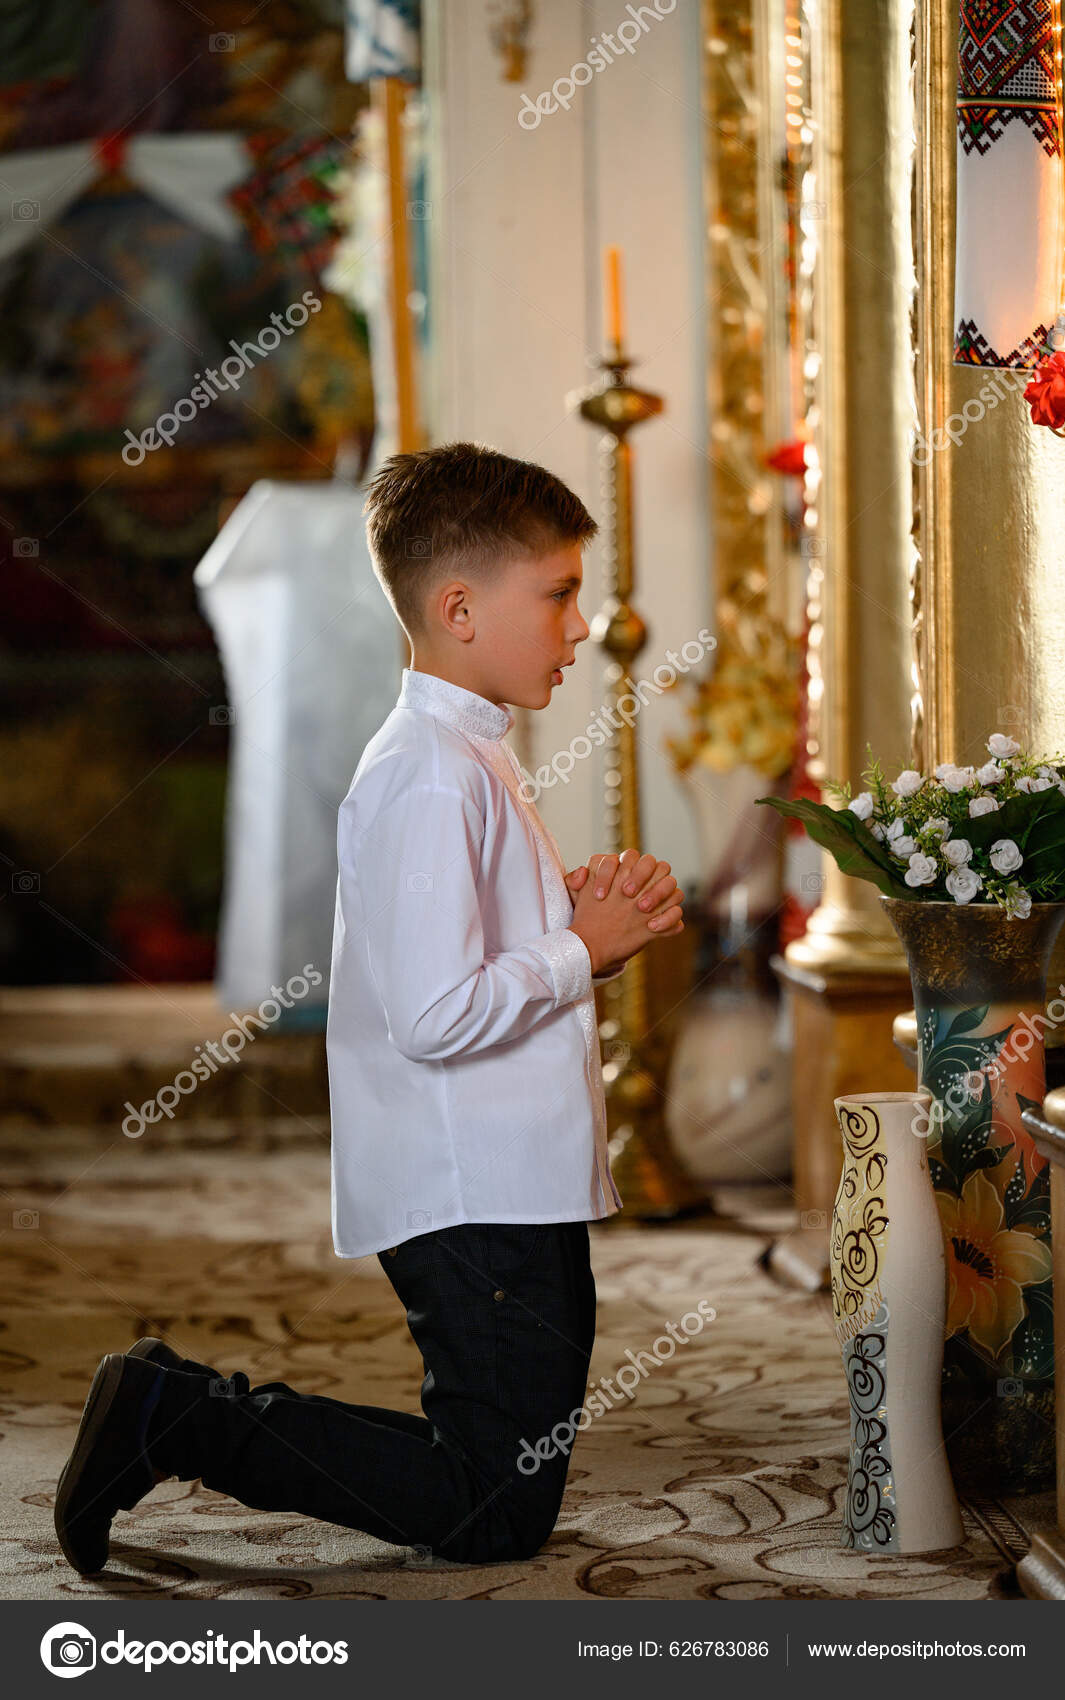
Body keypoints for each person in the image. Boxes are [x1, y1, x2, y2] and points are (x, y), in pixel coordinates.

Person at [54, 442, 685, 1575]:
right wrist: (573, 944)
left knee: (504, 1485)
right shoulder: (428, 772)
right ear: (458, 607)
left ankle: (174, 1406)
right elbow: (434, 1013)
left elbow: (460, 960)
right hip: (472, 1190)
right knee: (489, 1505)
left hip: (509, 1178)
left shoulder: (468, 755)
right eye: (558, 593)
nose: (581, 624)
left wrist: (571, 933)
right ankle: (173, 1411)